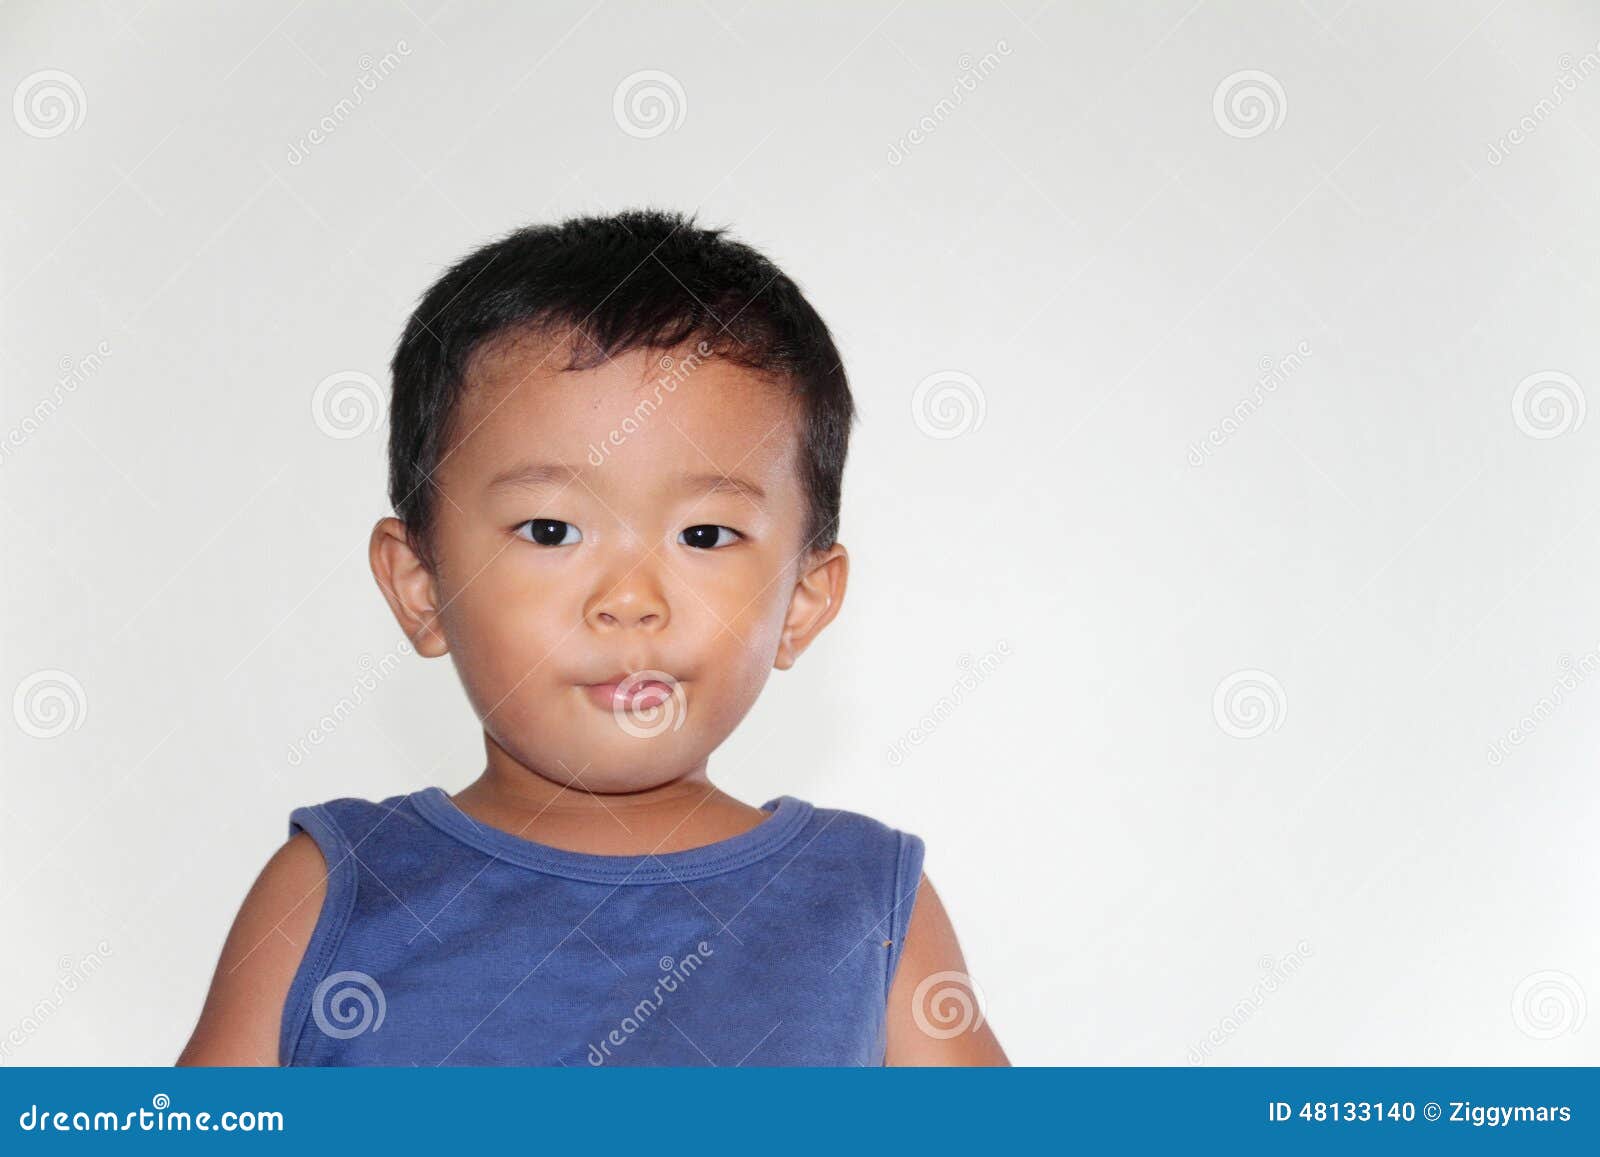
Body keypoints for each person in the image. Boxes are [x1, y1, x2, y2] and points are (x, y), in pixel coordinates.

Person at [178, 209, 1007, 1066]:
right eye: (549, 530)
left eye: (704, 535)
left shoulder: (866, 908)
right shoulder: (331, 894)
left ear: (801, 601)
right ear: (420, 585)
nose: (630, 600)